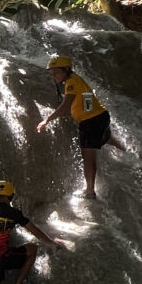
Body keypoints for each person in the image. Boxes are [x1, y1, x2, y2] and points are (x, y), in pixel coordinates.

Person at [36, 55, 117, 199]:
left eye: (56, 73)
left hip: (90, 121)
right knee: (107, 139)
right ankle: (132, 154)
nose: (54, 76)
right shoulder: (77, 79)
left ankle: (90, 192)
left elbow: (65, 107)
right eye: (51, 74)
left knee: (88, 157)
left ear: (66, 70)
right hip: (101, 116)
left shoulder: (71, 83)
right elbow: (84, 102)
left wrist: (47, 120)